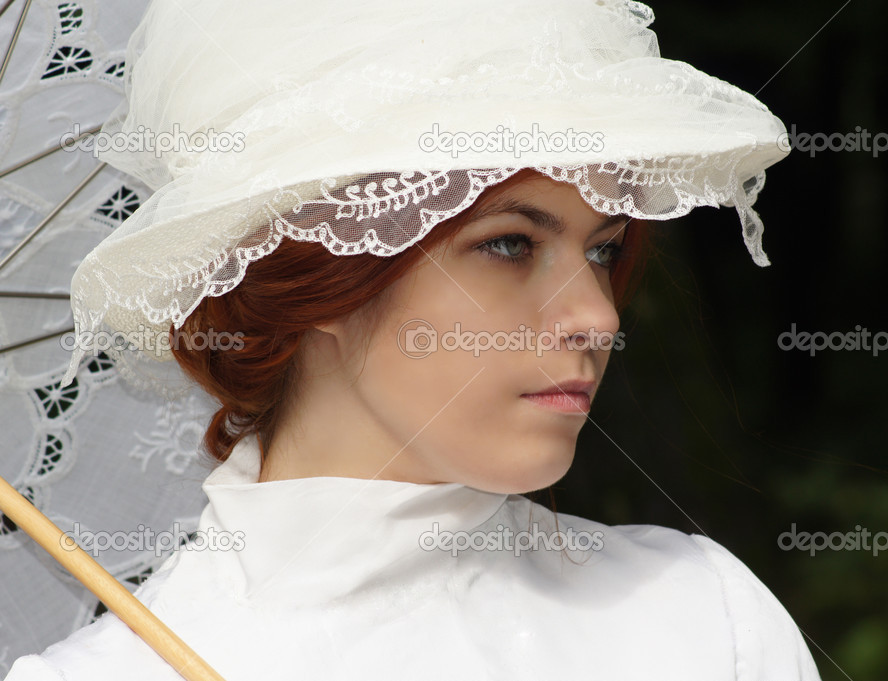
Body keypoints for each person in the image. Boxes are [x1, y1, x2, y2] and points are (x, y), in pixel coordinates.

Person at [7, 0, 822, 678]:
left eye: (602, 250)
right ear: (318, 270)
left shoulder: (701, 619)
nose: (599, 317)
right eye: (509, 243)